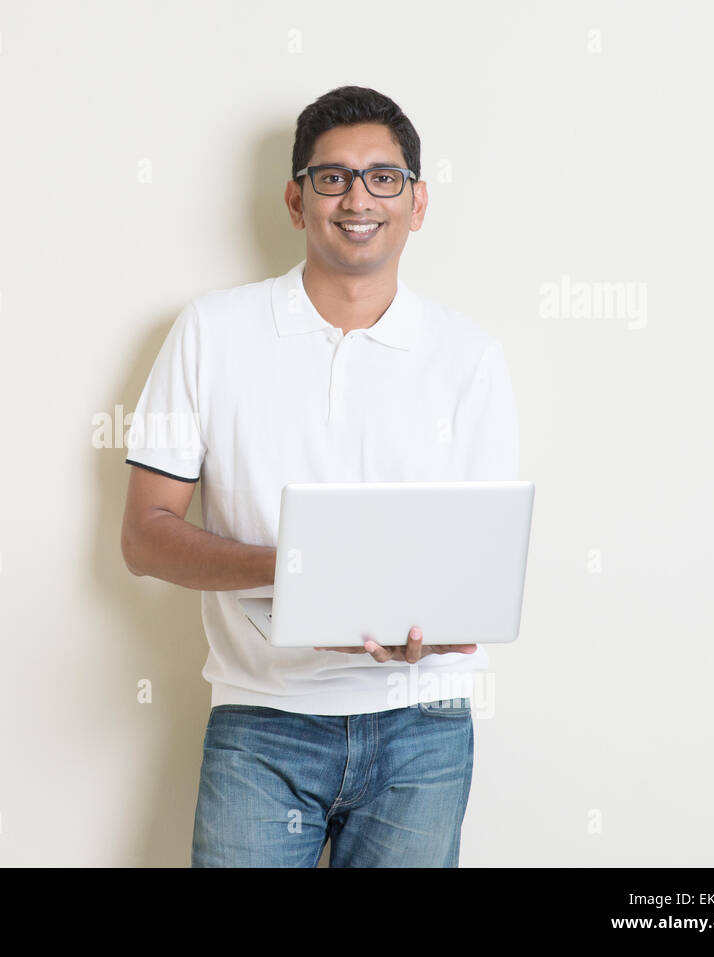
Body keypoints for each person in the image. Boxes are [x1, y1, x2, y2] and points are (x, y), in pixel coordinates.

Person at [119, 86, 519, 867]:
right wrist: (297, 574)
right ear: (296, 201)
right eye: (332, 178)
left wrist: (437, 620)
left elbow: (482, 557)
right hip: (261, 719)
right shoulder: (211, 330)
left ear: (419, 201)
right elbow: (144, 537)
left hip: (423, 722)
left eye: (383, 177)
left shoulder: (469, 357)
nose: (358, 197)